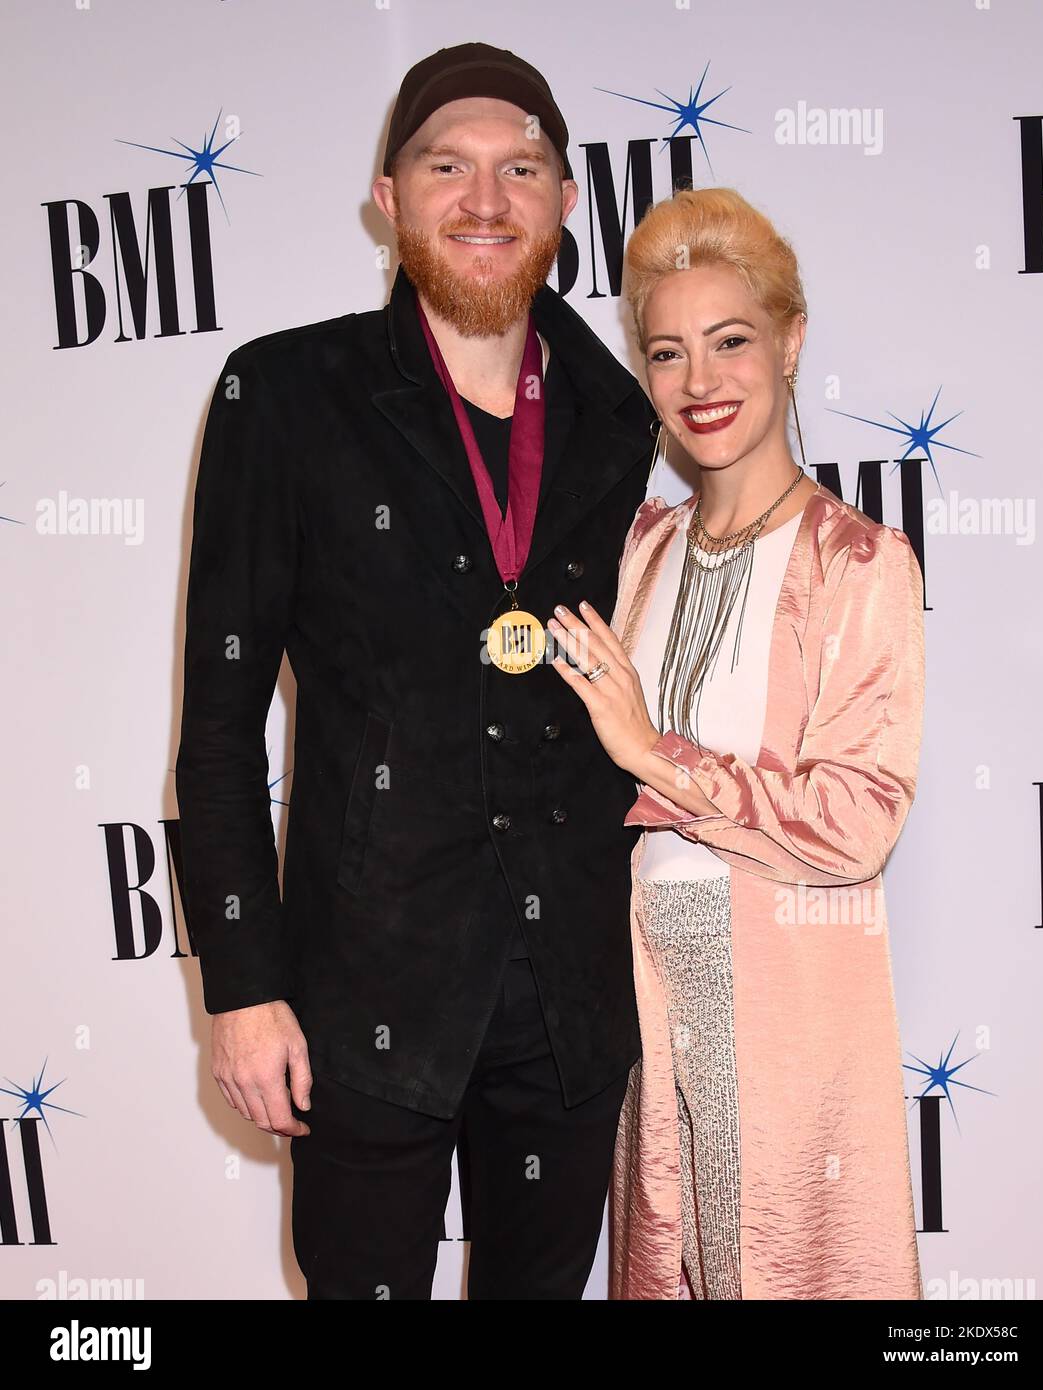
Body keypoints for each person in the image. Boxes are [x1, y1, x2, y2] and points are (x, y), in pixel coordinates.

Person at [174, 42, 657, 1299]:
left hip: (568, 1004)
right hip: (360, 1000)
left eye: (520, 169)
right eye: (447, 166)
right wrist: (244, 990)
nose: (484, 200)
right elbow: (220, 728)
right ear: (389, 198)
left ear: (564, 201)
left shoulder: (622, 418)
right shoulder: (283, 394)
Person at [546, 186, 925, 1299]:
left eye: (729, 342)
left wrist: (656, 754)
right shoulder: (639, 552)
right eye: (667, 353)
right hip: (648, 1009)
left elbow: (859, 820)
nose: (699, 382)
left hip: (790, 1009)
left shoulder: (859, 563)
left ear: (791, 341)